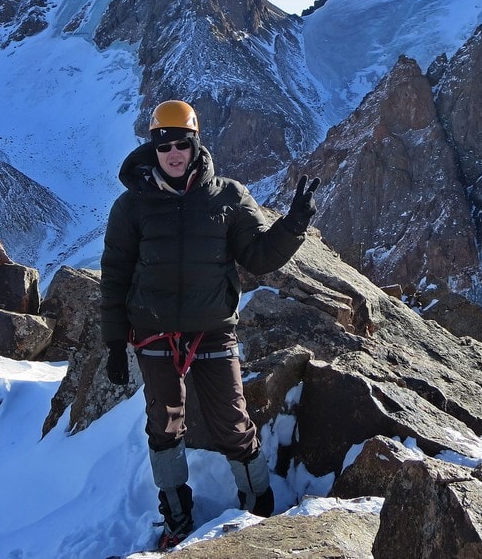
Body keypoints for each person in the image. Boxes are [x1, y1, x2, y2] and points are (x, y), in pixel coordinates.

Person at [100, 99, 320, 549]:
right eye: (165, 146)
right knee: (165, 424)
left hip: (212, 328)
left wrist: (293, 225)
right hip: (153, 330)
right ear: (153, 147)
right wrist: (113, 343)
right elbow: (116, 273)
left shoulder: (229, 196)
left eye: (182, 144)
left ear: (196, 143)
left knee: (232, 423)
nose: (174, 154)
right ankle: (177, 514)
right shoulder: (131, 206)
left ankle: (258, 507)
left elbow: (257, 257)